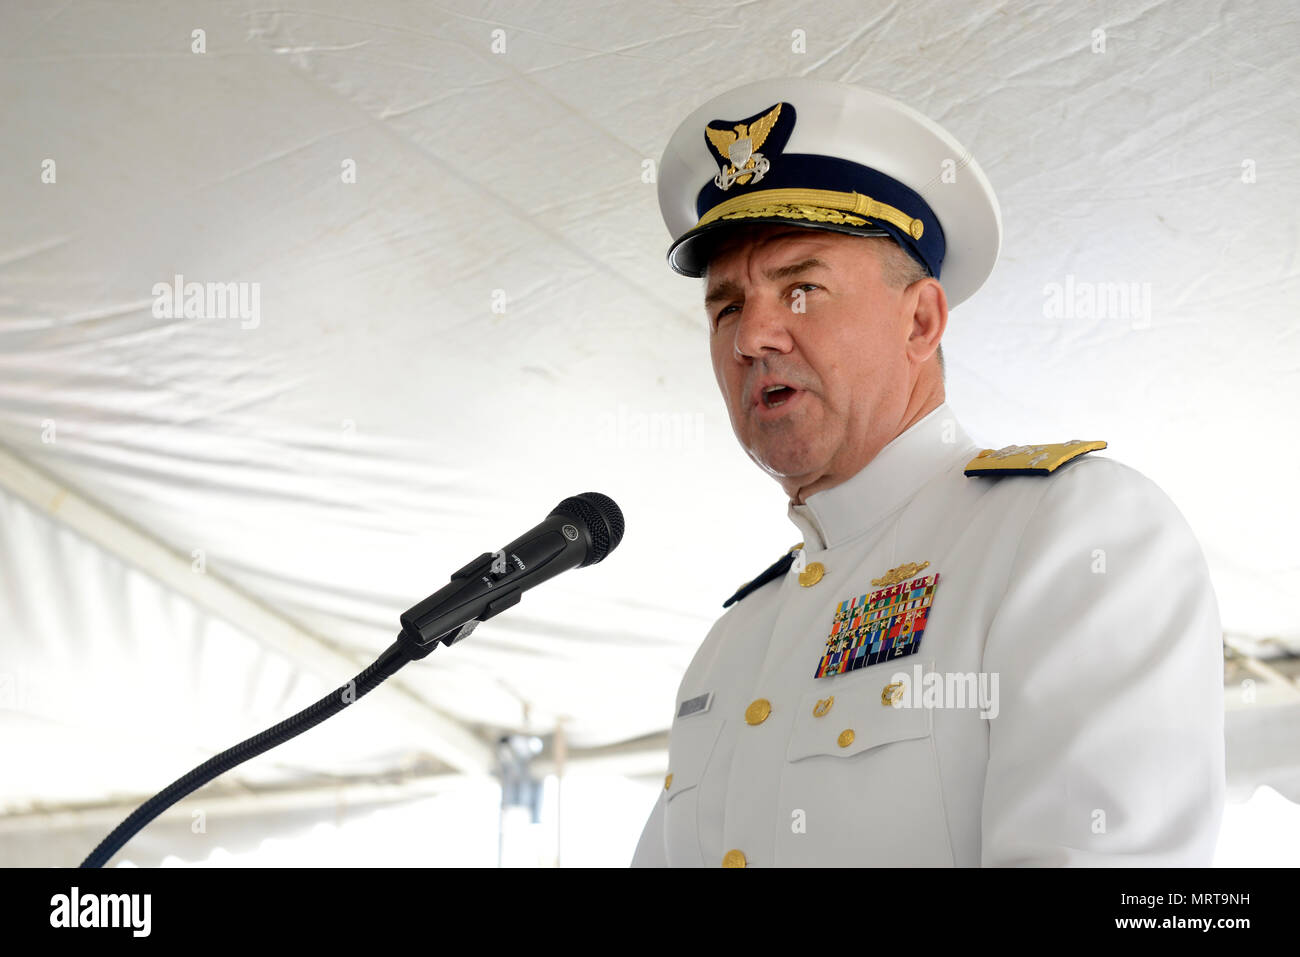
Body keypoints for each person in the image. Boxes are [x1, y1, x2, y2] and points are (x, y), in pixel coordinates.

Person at [631, 77, 1224, 867]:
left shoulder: (1073, 532)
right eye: (727, 307)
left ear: (921, 320)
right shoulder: (734, 641)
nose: (752, 337)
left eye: (801, 289)